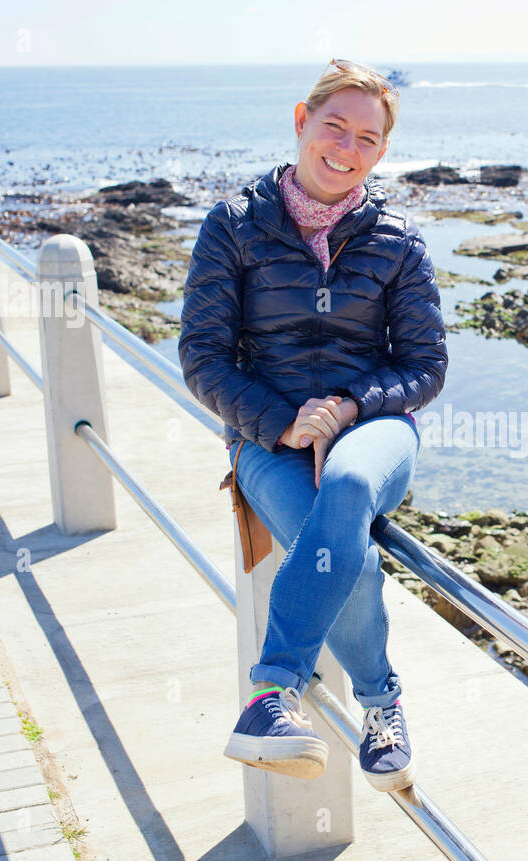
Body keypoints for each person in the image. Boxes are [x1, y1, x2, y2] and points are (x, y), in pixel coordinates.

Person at [178, 59, 447, 792]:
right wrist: (282, 422)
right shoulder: (234, 225)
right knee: (347, 559)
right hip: (266, 436)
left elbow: (425, 366)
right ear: (302, 120)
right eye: (335, 126)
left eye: (367, 137)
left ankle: (270, 692)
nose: (347, 148)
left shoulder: (397, 238)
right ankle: (382, 703)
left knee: (353, 481)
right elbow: (201, 356)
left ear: (381, 152)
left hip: (374, 425)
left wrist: (349, 407)